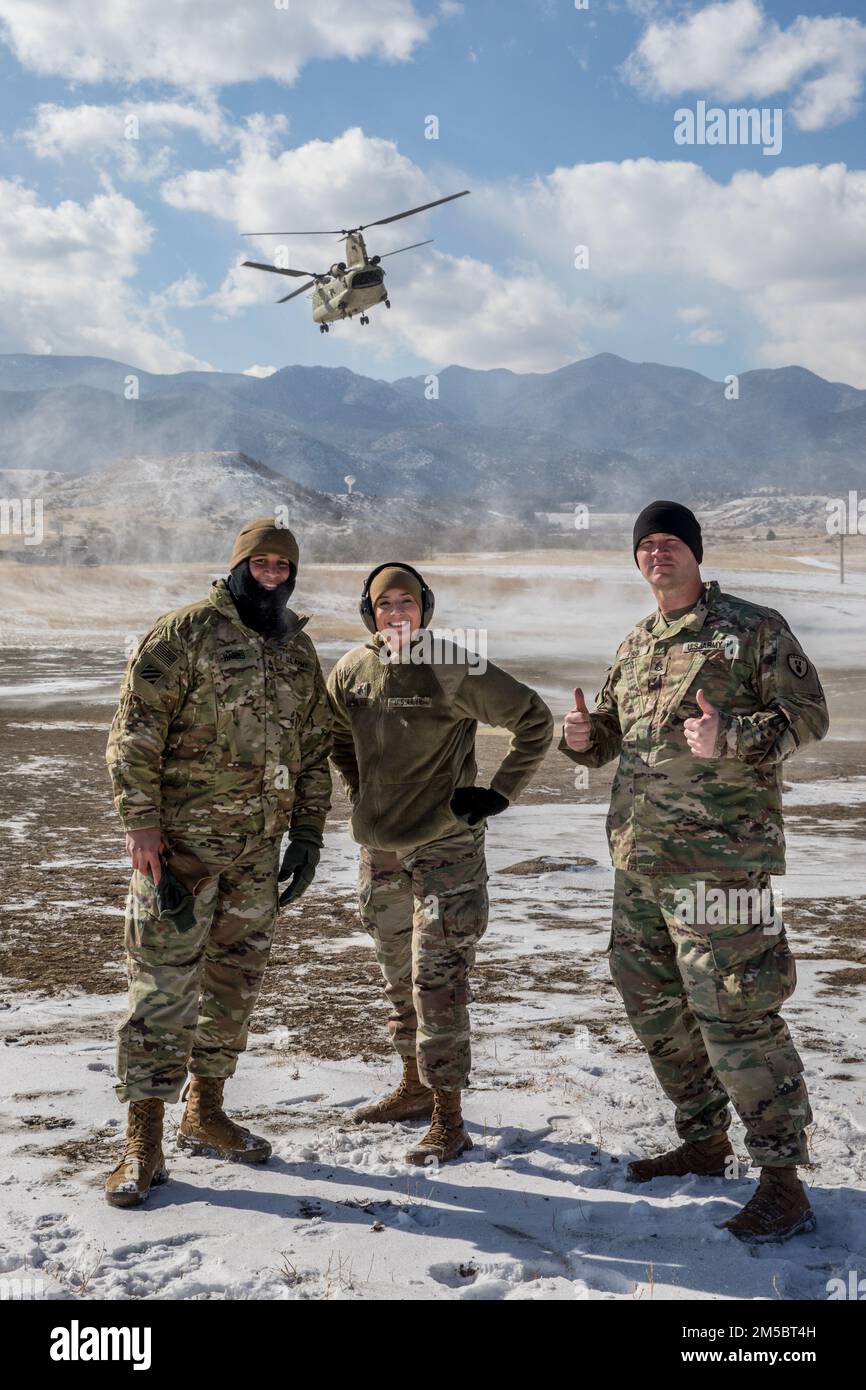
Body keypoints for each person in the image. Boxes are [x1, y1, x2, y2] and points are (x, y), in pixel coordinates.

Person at [561, 500, 829, 1243]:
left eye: (671, 542)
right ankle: (705, 1140)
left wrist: (730, 735)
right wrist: (580, 736)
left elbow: (809, 714)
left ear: (696, 552)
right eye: (646, 544)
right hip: (641, 864)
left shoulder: (752, 628)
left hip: (722, 868)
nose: (658, 554)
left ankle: (783, 1181)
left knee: (737, 1010)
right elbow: (610, 737)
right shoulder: (637, 643)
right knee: (653, 1004)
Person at [104, 517, 332, 1207]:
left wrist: (308, 833)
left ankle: (205, 1111)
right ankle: (142, 1140)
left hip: (257, 856)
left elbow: (313, 749)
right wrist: (141, 825)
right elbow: (134, 732)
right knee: (162, 989)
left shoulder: (297, 649)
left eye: (282, 566)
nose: (271, 575)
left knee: (235, 983)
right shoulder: (185, 633)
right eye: (261, 563)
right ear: (238, 567)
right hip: (180, 854)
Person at [327, 563, 553, 1164]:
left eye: (407, 602)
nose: (396, 613)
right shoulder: (351, 670)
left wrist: (498, 793)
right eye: (384, 604)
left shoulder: (453, 665)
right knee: (399, 978)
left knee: (438, 984)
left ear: (424, 608)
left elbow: (533, 720)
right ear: (369, 612)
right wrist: (360, 790)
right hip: (380, 854)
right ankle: (412, 1088)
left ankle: (448, 1119)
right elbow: (337, 737)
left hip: (445, 851)